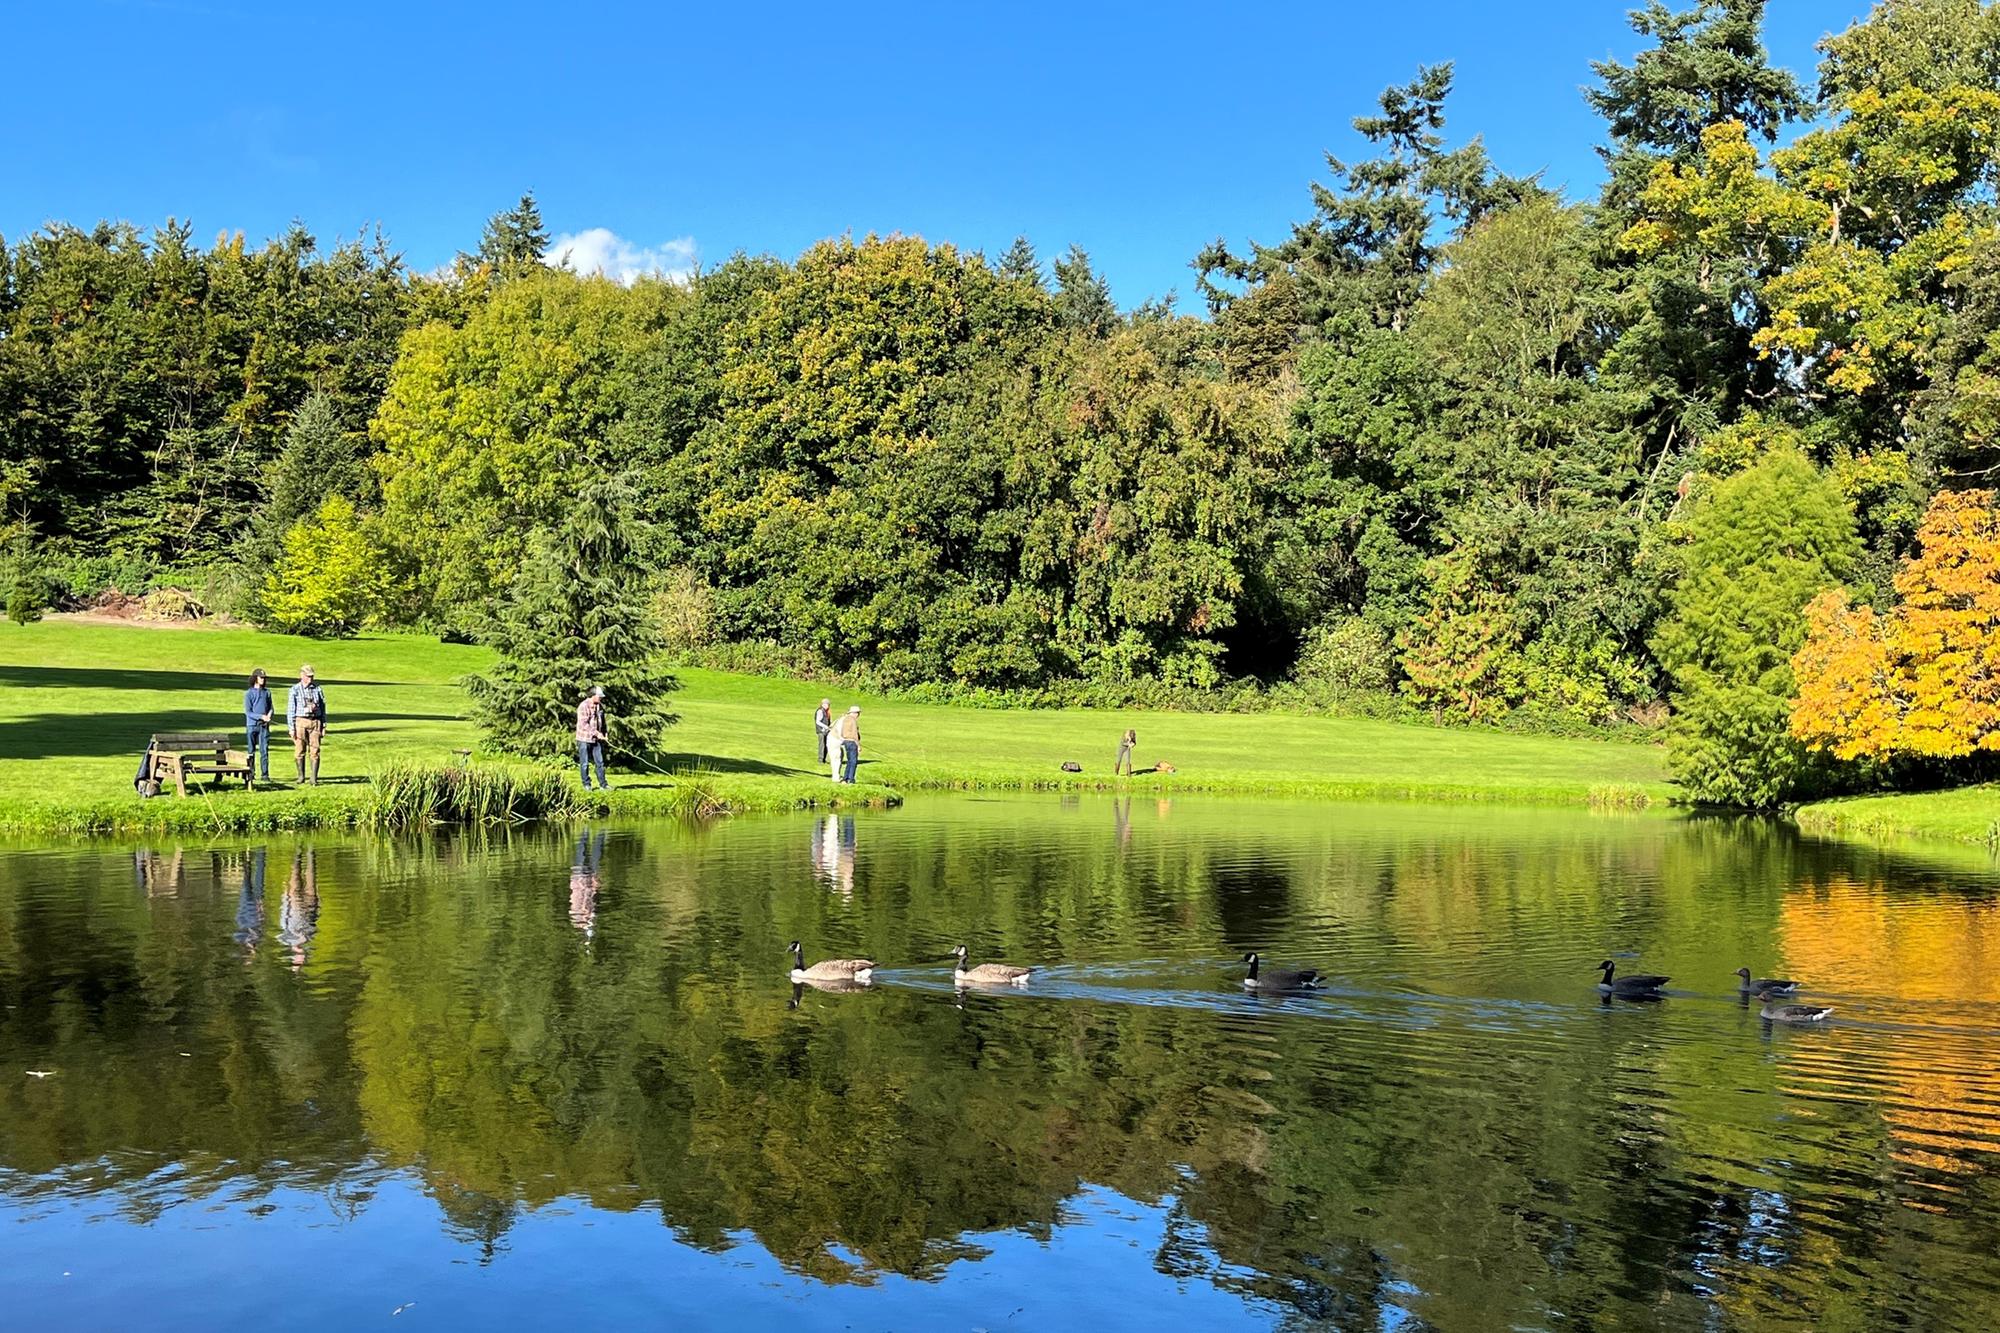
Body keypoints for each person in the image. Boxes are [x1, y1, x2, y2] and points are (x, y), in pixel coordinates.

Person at [286, 665, 327, 786]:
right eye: (308, 676)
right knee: (300, 749)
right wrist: (291, 728)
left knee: (315, 750)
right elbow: (290, 710)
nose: (310, 679)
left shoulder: (317, 689)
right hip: (300, 722)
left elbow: (323, 708)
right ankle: (301, 776)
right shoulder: (295, 689)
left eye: (312, 676)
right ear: (302, 675)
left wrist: (324, 725)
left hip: (315, 722)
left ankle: (313, 778)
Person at [576, 685, 610, 791]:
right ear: (593, 695)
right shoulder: (583, 706)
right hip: (584, 739)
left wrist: (604, 732)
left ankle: (603, 785)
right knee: (585, 763)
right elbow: (583, 724)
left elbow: (602, 722)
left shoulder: (599, 706)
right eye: (599, 696)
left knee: (600, 762)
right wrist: (596, 733)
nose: (601, 698)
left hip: (597, 739)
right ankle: (587, 784)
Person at [243, 669, 274, 783]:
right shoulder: (249, 693)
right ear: (255, 678)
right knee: (251, 751)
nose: (263, 679)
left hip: (264, 726)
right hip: (252, 725)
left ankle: (265, 775)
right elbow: (248, 712)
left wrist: (269, 714)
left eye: (264, 678)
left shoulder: (267, 692)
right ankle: (251, 773)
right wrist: (261, 716)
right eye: (261, 677)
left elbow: (271, 707)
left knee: (264, 751)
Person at [834, 705, 862, 784]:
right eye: (858, 713)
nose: (858, 715)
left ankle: (845, 778)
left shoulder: (845, 719)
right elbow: (854, 734)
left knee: (849, 761)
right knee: (853, 761)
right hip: (852, 742)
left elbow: (842, 732)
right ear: (854, 713)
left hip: (846, 741)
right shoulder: (853, 720)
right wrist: (858, 746)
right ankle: (851, 779)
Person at [814, 697, 833, 764]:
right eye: (827, 704)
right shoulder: (820, 711)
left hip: (826, 731)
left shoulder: (826, 712)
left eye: (828, 704)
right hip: (821, 731)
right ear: (823, 704)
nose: (828, 706)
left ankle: (824, 759)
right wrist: (826, 727)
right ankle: (820, 760)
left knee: (826, 745)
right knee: (822, 745)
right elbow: (818, 722)